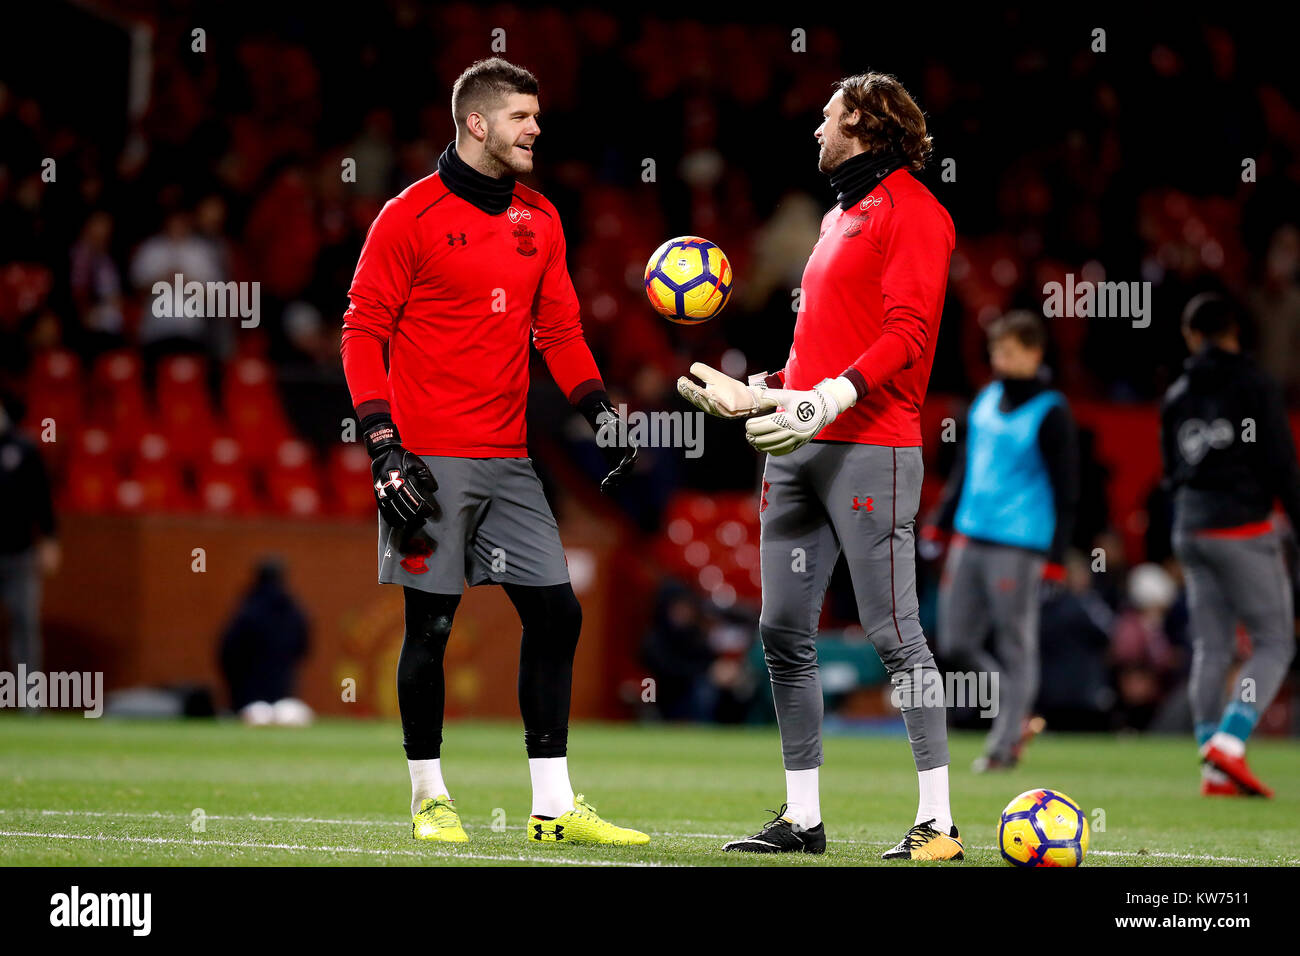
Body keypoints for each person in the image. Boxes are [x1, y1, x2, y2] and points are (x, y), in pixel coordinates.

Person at [340, 58, 645, 845]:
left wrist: (598, 409)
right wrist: (383, 445)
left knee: (557, 613)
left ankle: (551, 806)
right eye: (521, 118)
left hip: (511, 461)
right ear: (477, 123)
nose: (535, 129)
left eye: (536, 117)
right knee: (431, 630)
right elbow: (361, 331)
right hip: (426, 460)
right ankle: (429, 797)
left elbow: (561, 331)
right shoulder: (408, 216)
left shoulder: (541, 218)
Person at [678, 73, 959, 859]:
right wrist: (761, 390)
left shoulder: (917, 213)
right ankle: (803, 819)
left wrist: (831, 397)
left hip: (872, 444)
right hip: (800, 440)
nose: (816, 132)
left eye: (828, 119)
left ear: (868, 125)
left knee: (895, 632)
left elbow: (908, 334)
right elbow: (824, 342)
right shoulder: (842, 213)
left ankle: (938, 823)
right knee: (781, 631)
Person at [926, 311, 1078, 771]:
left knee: (1014, 641)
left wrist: (1057, 555)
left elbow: (1067, 488)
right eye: (996, 351)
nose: (1000, 360)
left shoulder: (1052, 411)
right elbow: (964, 469)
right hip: (971, 535)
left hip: (1019, 543)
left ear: (1034, 354)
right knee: (955, 641)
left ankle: (1005, 742)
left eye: (1010, 352)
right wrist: (942, 519)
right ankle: (1018, 708)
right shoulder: (987, 398)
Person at [1161, 292, 1300, 797]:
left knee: (1211, 647)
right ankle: (1231, 743)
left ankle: (1212, 770)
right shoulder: (1256, 384)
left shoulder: (1177, 393)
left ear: (1191, 335)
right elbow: (1282, 464)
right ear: (1235, 331)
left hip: (1190, 528)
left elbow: (1170, 473)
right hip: (1240, 527)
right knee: (1275, 641)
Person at [0, 393, 59, 675]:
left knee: (25, 624)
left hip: (19, 553)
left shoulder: (24, 447)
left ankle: (30, 698)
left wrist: (50, 539)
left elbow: (42, 498)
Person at [218, 558, 310, 718]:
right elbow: (302, 646)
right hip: (282, 686)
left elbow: (228, 650)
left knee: (256, 714)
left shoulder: (248, 609)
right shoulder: (293, 611)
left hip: (248, 690)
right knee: (284, 713)